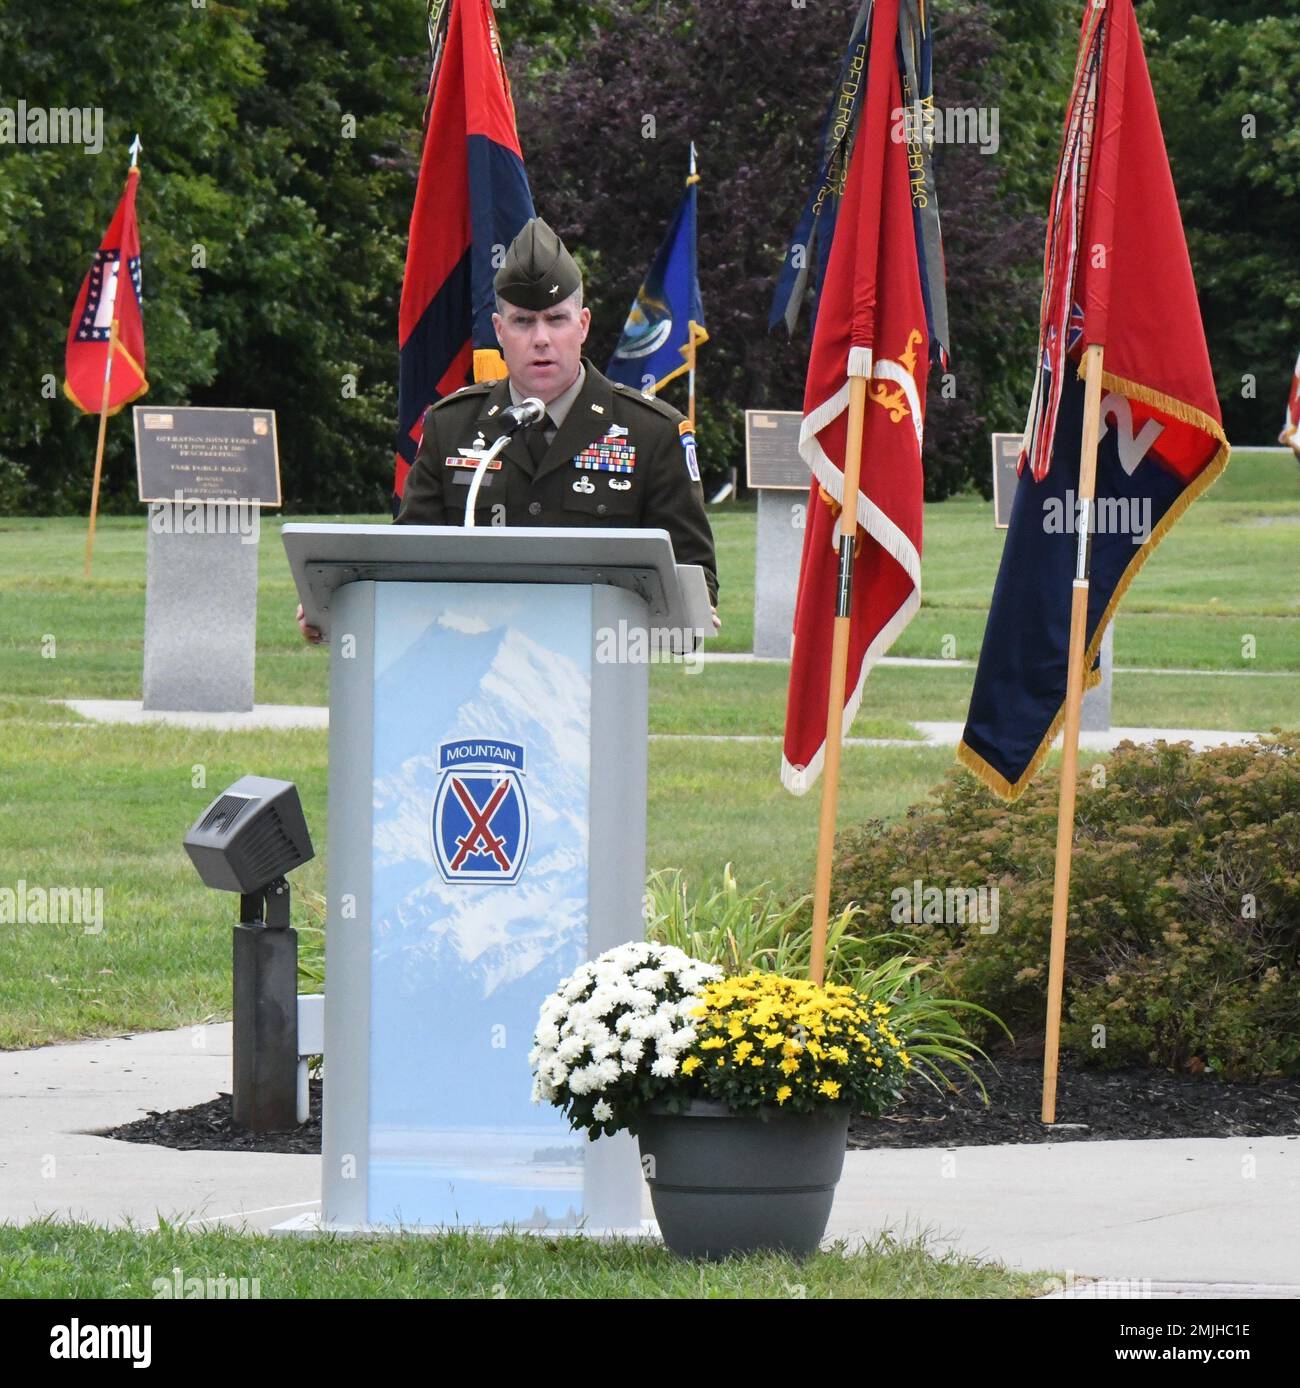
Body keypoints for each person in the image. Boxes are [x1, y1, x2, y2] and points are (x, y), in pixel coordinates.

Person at [297, 218, 718, 642]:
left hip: (597, 674)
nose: (540, 339)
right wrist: (342, 602)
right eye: (522, 322)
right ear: (499, 331)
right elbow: (408, 559)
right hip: (468, 669)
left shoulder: (650, 432)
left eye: (556, 320)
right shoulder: (451, 424)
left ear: (583, 324)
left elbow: (693, 576)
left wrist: (688, 615)